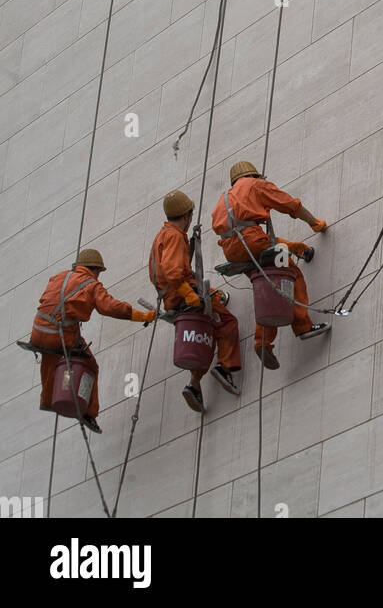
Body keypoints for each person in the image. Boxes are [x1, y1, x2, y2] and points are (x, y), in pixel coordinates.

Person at [212, 162, 329, 369]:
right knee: (289, 274)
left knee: (267, 288)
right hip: (252, 240)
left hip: (234, 250)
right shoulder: (255, 185)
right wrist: (314, 222)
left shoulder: (223, 199)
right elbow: (290, 204)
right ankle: (303, 326)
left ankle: (262, 341)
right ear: (254, 175)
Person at [30, 249, 153, 433]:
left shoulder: (58, 277)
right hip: (61, 335)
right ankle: (89, 412)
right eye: (98, 272)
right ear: (94, 269)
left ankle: (47, 401)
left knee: (51, 358)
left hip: (38, 331)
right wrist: (141, 316)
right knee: (90, 366)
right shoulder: (91, 285)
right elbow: (111, 307)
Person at [149, 190, 242, 411]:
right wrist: (191, 295)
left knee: (205, 336)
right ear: (187, 215)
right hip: (184, 293)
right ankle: (225, 367)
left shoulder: (162, 236)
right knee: (228, 322)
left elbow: (165, 272)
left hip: (172, 298)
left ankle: (194, 385)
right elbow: (173, 272)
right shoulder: (173, 236)